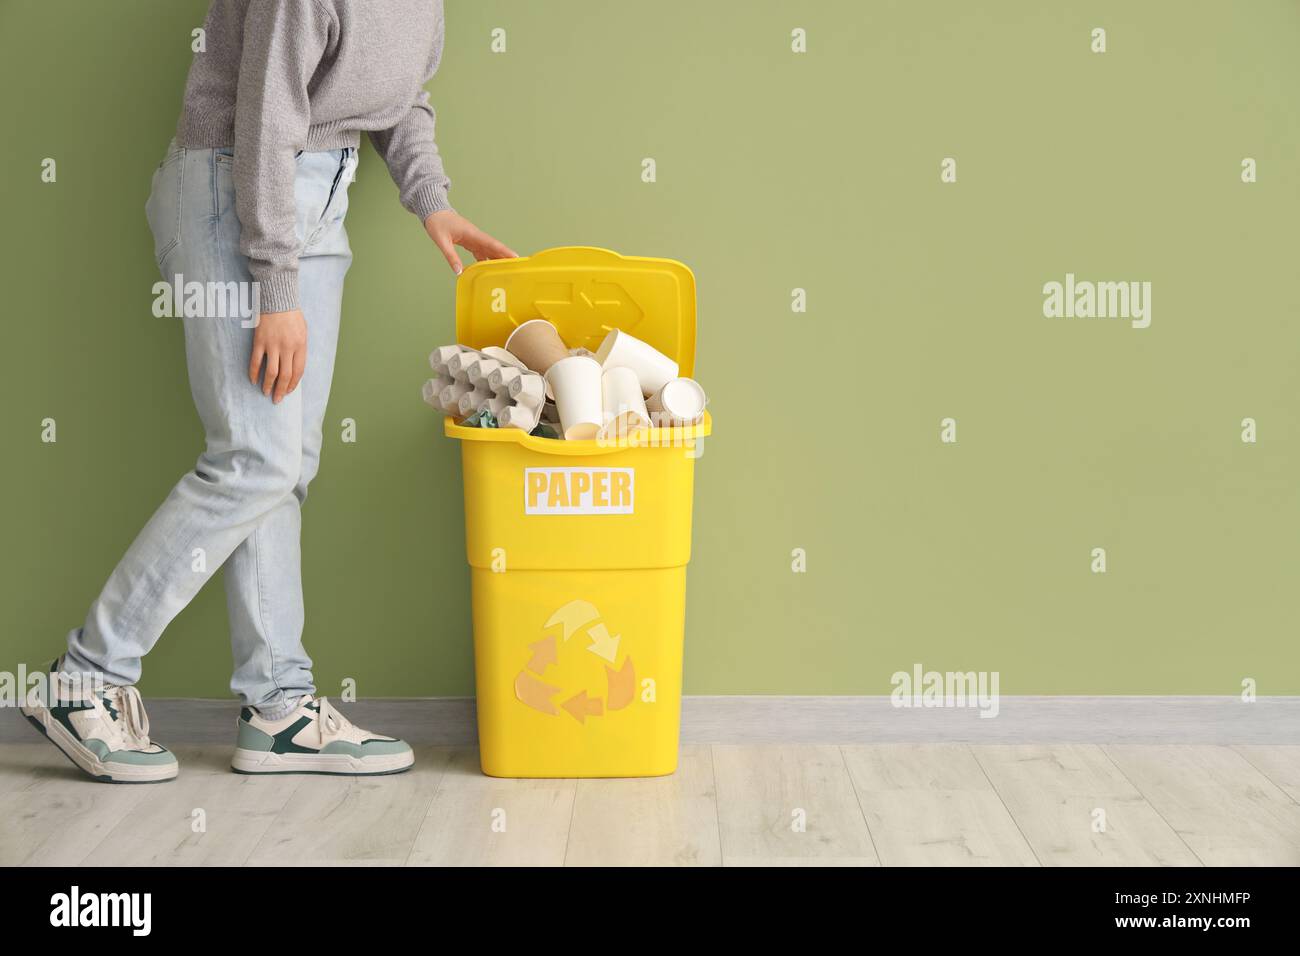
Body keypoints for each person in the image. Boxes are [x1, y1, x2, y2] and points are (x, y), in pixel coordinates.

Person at [21, 0, 512, 782]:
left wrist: (433, 201)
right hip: (237, 192)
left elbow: (402, 100)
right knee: (255, 459)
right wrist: (275, 286)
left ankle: (279, 707)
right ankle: (87, 680)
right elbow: (263, 120)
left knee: (287, 468)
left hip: (320, 193)